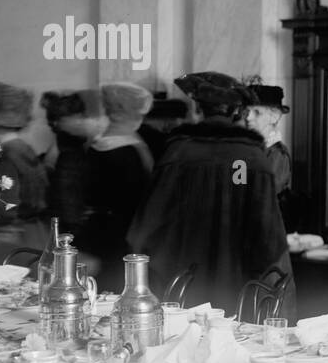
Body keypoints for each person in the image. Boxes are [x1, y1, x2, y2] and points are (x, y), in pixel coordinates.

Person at [128, 71, 293, 317]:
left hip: (181, 283)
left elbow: (145, 229)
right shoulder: (250, 159)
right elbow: (269, 239)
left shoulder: (177, 154)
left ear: (197, 110)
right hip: (236, 287)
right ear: (238, 112)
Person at [82, 82, 155, 286]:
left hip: (97, 227)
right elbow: (138, 197)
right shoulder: (128, 150)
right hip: (125, 230)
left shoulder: (97, 144)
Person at [0, 82, 49, 261]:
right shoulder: (23, 148)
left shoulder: (6, 153)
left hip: (10, 233)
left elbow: (4, 204)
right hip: (33, 229)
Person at [40, 91, 96, 241]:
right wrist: (76, 223)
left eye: (82, 117)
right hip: (69, 226)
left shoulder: (72, 147)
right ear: (58, 123)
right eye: (77, 118)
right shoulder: (66, 152)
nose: (83, 121)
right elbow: (66, 194)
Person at [244, 79, 294, 225]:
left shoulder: (278, 154)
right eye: (246, 111)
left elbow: (266, 194)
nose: (248, 118)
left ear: (274, 116)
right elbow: (236, 182)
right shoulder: (245, 150)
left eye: (257, 112)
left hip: (268, 225)